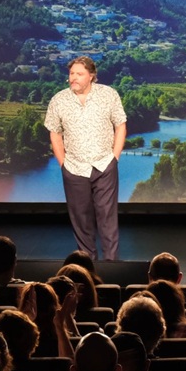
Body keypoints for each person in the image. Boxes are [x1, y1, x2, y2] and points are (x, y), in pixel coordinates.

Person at [44, 55, 127, 262]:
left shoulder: (108, 95)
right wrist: (63, 164)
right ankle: (87, 267)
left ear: (91, 76)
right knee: (81, 221)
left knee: (107, 219)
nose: (74, 78)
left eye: (79, 74)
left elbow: (120, 125)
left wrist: (114, 158)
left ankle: (111, 266)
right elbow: (55, 133)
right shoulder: (58, 100)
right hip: (74, 168)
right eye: (71, 73)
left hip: (104, 165)